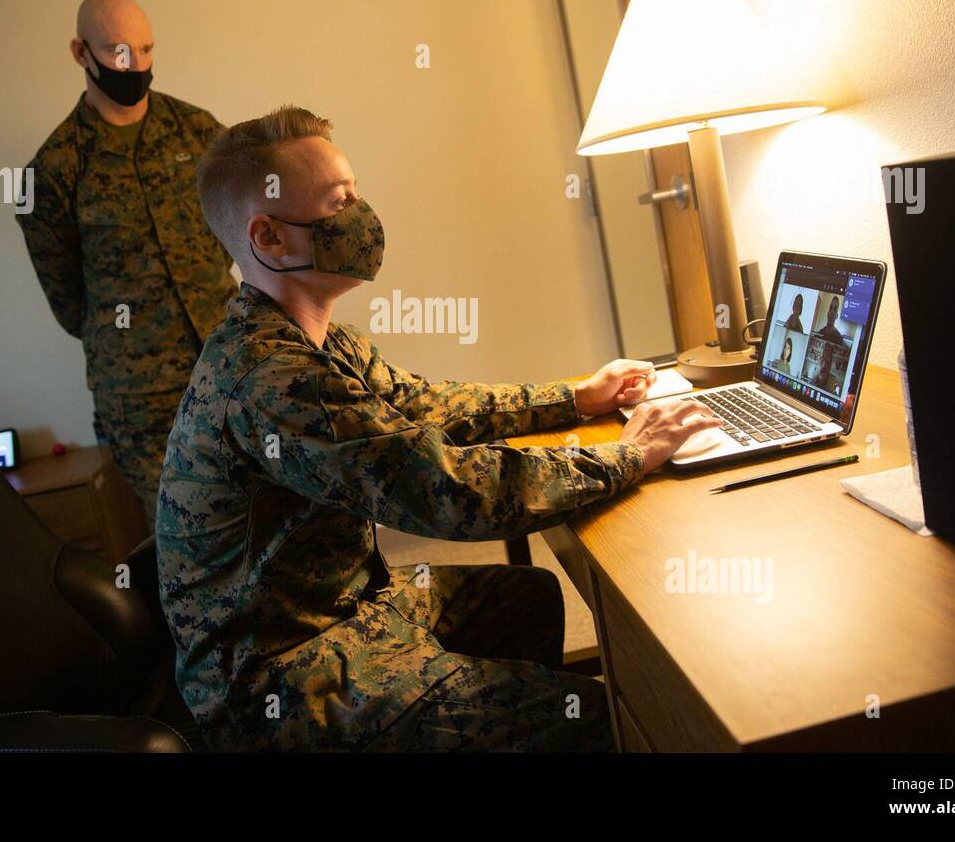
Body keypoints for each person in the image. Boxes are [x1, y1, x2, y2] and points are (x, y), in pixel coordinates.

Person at [157, 106, 721, 751]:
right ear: (271, 238)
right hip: (281, 676)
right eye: (341, 204)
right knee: (593, 718)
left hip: (339, 607)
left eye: (357, 195)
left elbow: (426, 406)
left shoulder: (313, 339)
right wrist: (626, 458)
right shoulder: (273, 376)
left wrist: (574, 397)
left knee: (526, 598)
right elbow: (449, 493)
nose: (363, 219)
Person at [16, 0, 236, 525]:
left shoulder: (198, 131)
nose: (134, 65)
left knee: (263, 500)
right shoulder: (53, 169)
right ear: (80, 52)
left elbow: (242, 229)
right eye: (117, 51)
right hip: (139, 391)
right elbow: (68, 299)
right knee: (184, 525)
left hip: (226, 352)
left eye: (144, 49)